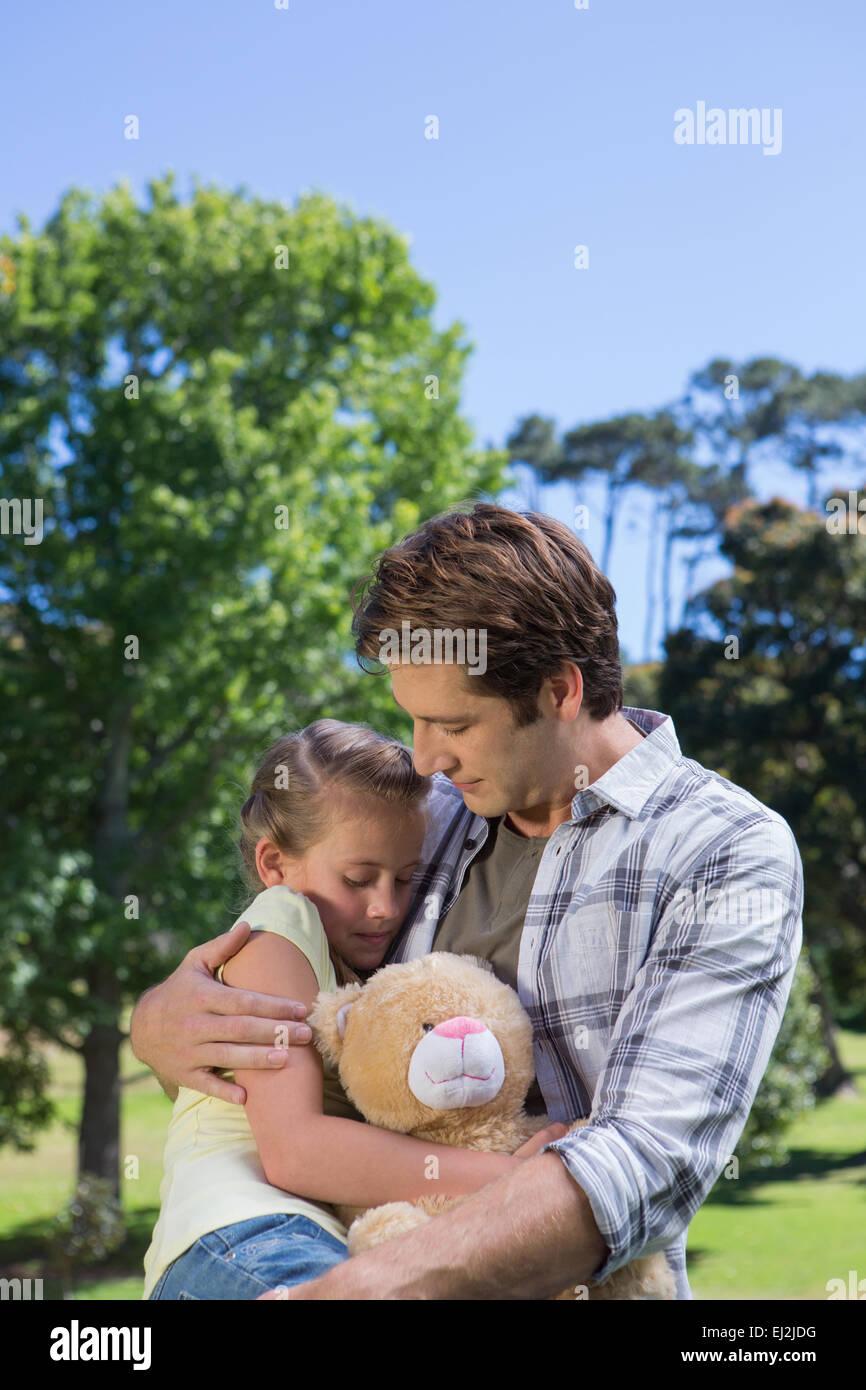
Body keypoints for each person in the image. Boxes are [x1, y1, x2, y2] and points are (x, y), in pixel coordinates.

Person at [132, 502, 804, 1300]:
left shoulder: (723, 852)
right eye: (411, 721)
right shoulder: (423, 819)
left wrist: (367, 1289)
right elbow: (290, 1013)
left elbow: (647, 1163)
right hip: (339, 1248)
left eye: (452, 723)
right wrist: (165, 1024)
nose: (423, 756)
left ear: (560, 690)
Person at [144, 718, 562, 1300]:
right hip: (244, 1237)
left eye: (405, 878)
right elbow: (296, 1152)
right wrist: (513, 1179)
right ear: (274, 865)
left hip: (306, 1240)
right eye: (359, 879)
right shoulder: (277, 931)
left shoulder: (352, 967)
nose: (384, 907)